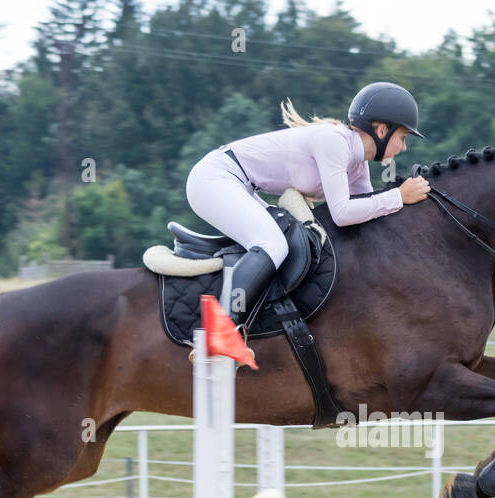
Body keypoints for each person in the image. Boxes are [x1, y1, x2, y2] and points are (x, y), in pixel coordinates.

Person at [185, 81, 432, 323]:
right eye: (402, 137)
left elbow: (367, 213)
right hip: (215, 178)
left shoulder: (357, 164)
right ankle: (218, 328)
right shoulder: (334, 141)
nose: (404, 148)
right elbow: (343, 214)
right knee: (273, 244)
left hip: (240, 185)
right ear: (382, 131)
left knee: (284, 242)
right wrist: (399, 196)